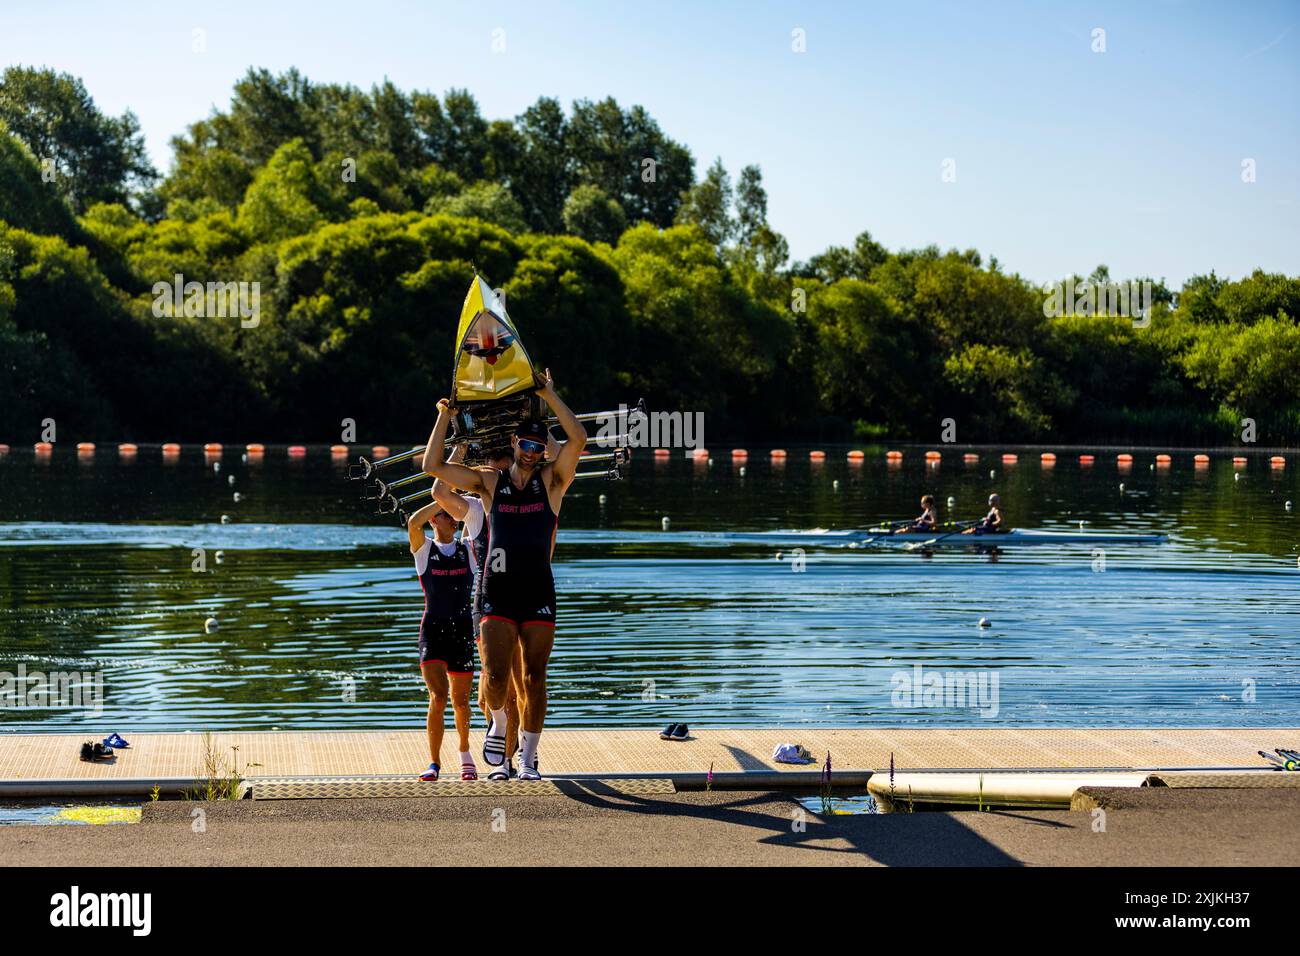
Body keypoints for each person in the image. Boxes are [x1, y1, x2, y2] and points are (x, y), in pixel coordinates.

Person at [422, 369, 586, 781]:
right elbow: (433, 467)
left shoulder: (552, 482)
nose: (531, 451)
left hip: (537, 590)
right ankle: (496, 723)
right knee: (495, 677)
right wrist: (447, 415)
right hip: (496, 592)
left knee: (534, 677)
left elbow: (578, 438)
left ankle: (528, 758)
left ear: (542, 448)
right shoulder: (490, 484)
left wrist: (548, 392)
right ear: (514, 444)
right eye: (525, 444)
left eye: (538, 445)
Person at [406, 495, 479, 781]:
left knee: (461, 703)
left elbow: (479, 516)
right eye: (447, 513)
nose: (454, 516)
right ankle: (434, 762)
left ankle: (464, 753)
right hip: (432, 632)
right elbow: (413, 523)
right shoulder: (424, 549)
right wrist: (440, 500)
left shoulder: (469, 549)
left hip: (461, 632)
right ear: (435, 518)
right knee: (438, 697)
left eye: (453, 513)